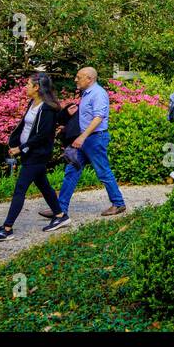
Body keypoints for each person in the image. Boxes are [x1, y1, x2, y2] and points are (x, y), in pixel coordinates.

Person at [41, 66, 126, 227]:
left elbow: (98, 117)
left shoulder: (98, 93)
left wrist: (82, 136)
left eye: (78, 77)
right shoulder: (87, 93)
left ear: (89, 78)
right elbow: (88, 115)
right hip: (86, 139)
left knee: (103, 171)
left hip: (95, 139)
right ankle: (60, 209)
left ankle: (118, 203)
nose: (75, 79)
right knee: (71, 171)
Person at [0, 73, 64, 242]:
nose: (25, 87)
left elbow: (42, 135)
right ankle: (60, 215)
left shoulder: (47, 108)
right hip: (29, 152)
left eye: (28, 84)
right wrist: (15, 143)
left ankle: (7, 229)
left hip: (37, 154)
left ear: (37, 87)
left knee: (20, 189)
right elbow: (25, 127)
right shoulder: (33, 103)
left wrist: (21, 148)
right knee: (43, 185)